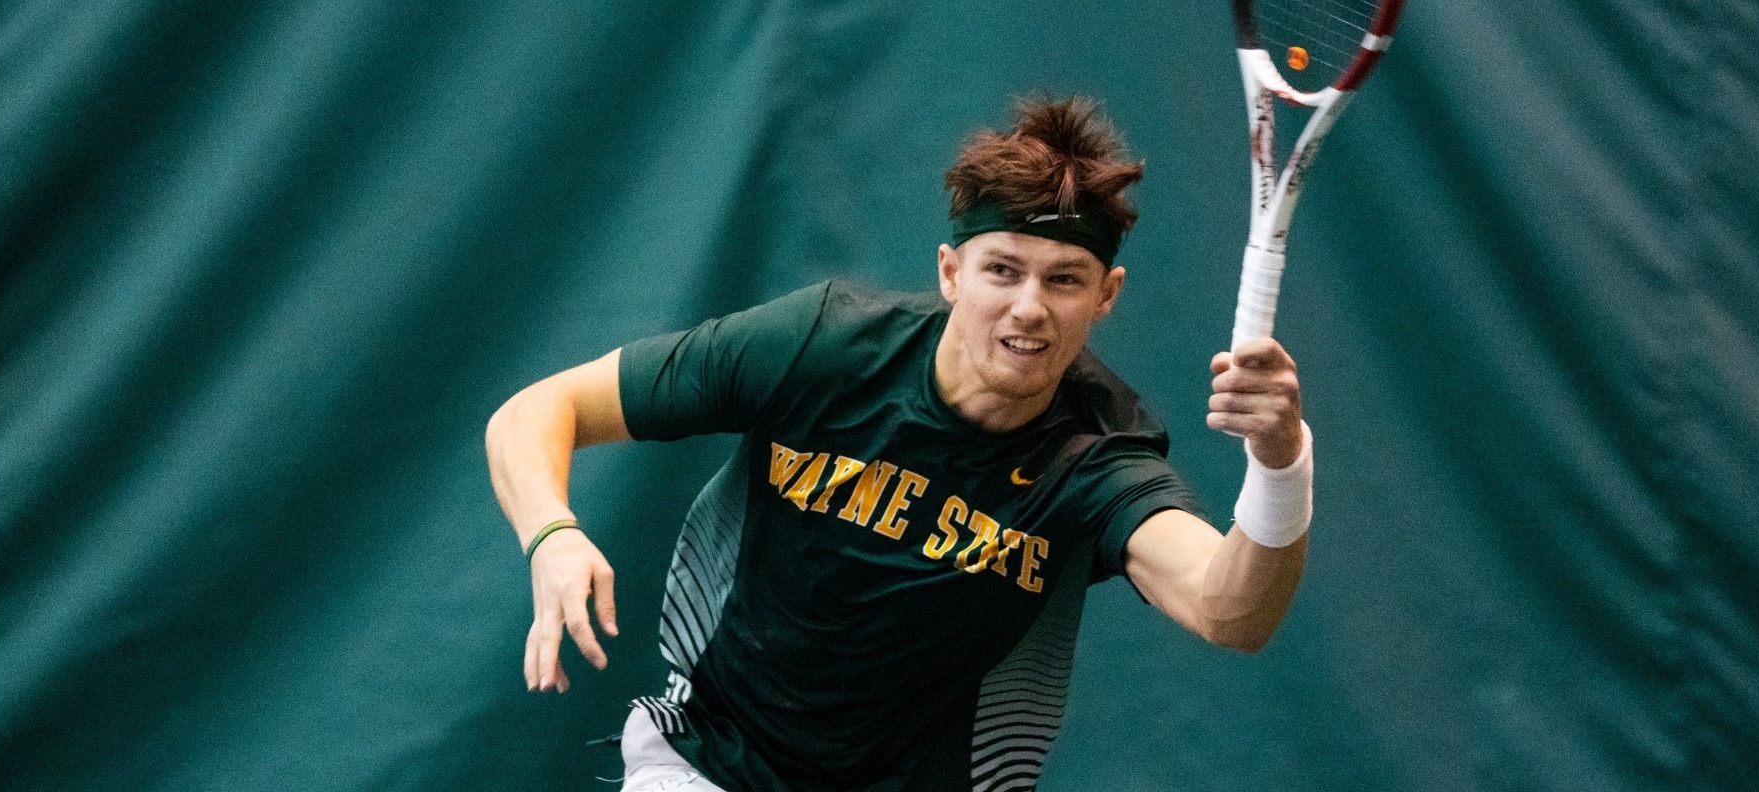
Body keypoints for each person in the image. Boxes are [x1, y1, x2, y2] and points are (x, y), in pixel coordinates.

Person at [486, 96, 1312, 792]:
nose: (1029, 307)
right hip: (714, 765)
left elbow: (1228, 610)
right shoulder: (822, 345)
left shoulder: (1095, 456)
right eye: (1002, 270)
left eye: (1063, 279)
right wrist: (551, 534)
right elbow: (536, 411)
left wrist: (1280, 460)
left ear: (1106, 295)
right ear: (952, 273)